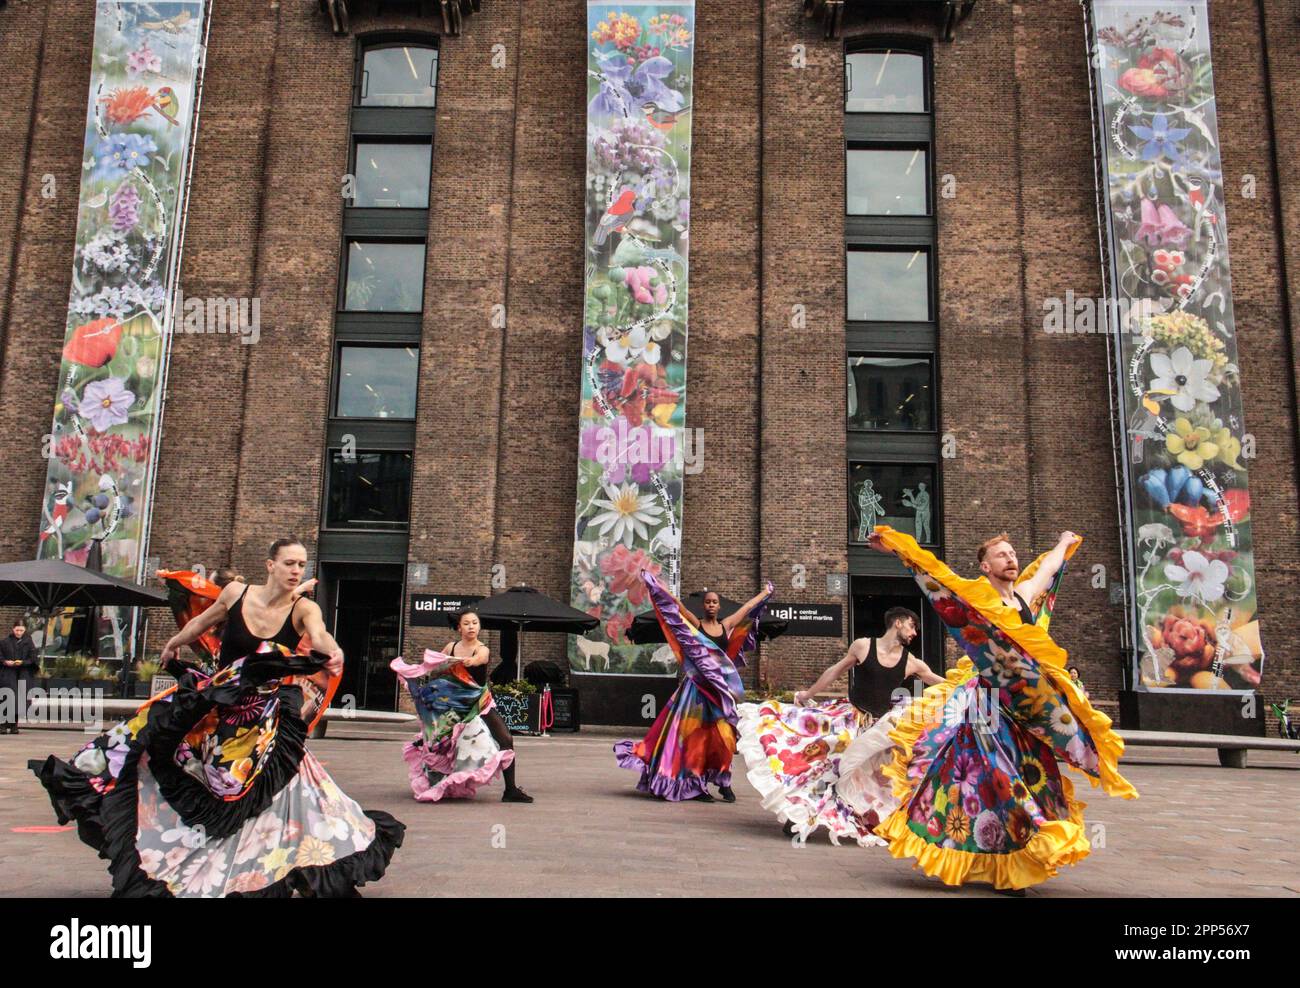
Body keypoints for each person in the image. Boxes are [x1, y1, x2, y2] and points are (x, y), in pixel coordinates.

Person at [29, 537, 405, 897]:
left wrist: (335, 650)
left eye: (302, 564)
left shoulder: (305, 607)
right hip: (215, 705)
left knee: (291, 786)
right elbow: (203, 622)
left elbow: (320, 636)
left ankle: (282, 861)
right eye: (289, 563)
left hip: (263, 718)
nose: (296, 570)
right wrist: (174, 644)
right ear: (270, 565)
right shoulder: (236, 594)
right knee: (149, 740)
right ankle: (157, 835)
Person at [861, 525, 1137, 893]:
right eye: (1002, 555)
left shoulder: (1022, 598)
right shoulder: (979, 600)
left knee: (1032, 777)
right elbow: (936, 578)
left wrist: (1063, 544)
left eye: (1012, 553)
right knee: (999, 783)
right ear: (986, 567)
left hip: (1025, 712)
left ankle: (1015, 858)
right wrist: (899, 549)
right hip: (986, 709)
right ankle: (1003, 860)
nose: (1011, 558)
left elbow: (1046, 572)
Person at [736, 606, 943, 844]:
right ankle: (800, 815)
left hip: (876, 730)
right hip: (849, 718)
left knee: (872, 778)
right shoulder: (863, 646)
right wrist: (809, 693)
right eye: (912, 626)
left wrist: (968, 686)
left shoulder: (912, 663)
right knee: (824, 766)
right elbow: (835, 670)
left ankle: (871, 821)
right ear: (898, 623)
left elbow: (939, 683)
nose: (914, 632)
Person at [615, 572, 773, 802]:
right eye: (708, 601)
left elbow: (747, 609)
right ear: (704, 605)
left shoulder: (726, 625)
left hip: (719, 691)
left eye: (714, 602)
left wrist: (765, 593)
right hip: (696, 691)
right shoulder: (697, 625)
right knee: (695, 739)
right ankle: (697, 785)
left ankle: (724, 781)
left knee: (725, 737)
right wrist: (658, 586)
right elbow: (676, 606)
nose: (711, 605)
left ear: (719, 606)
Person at [390, 609, 532, 804]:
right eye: (466, 623)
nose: (471, 626)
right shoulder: (451, 647)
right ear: (459, 627)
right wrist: (416, 672)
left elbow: (481, 659)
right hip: (455, 703)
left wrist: (471, 661)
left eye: (475, 622)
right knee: (439, 744)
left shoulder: (482, 648)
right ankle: (434, 780)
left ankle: (511, 790)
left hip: (479, 703)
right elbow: (435, 666)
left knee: (505, 739)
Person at [1, 619, 39, 735]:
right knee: (6, 698)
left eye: (21, 630)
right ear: (13, 629)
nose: (19, 632)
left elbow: (33, 659)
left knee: (20, 700)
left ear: (25, 630)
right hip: (8, 674)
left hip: (23, 675)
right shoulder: (4, 642)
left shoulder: (29, 642)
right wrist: (5, 661)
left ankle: (14, 725)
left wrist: (22, 662)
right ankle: (2, 725)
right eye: (17, 630)